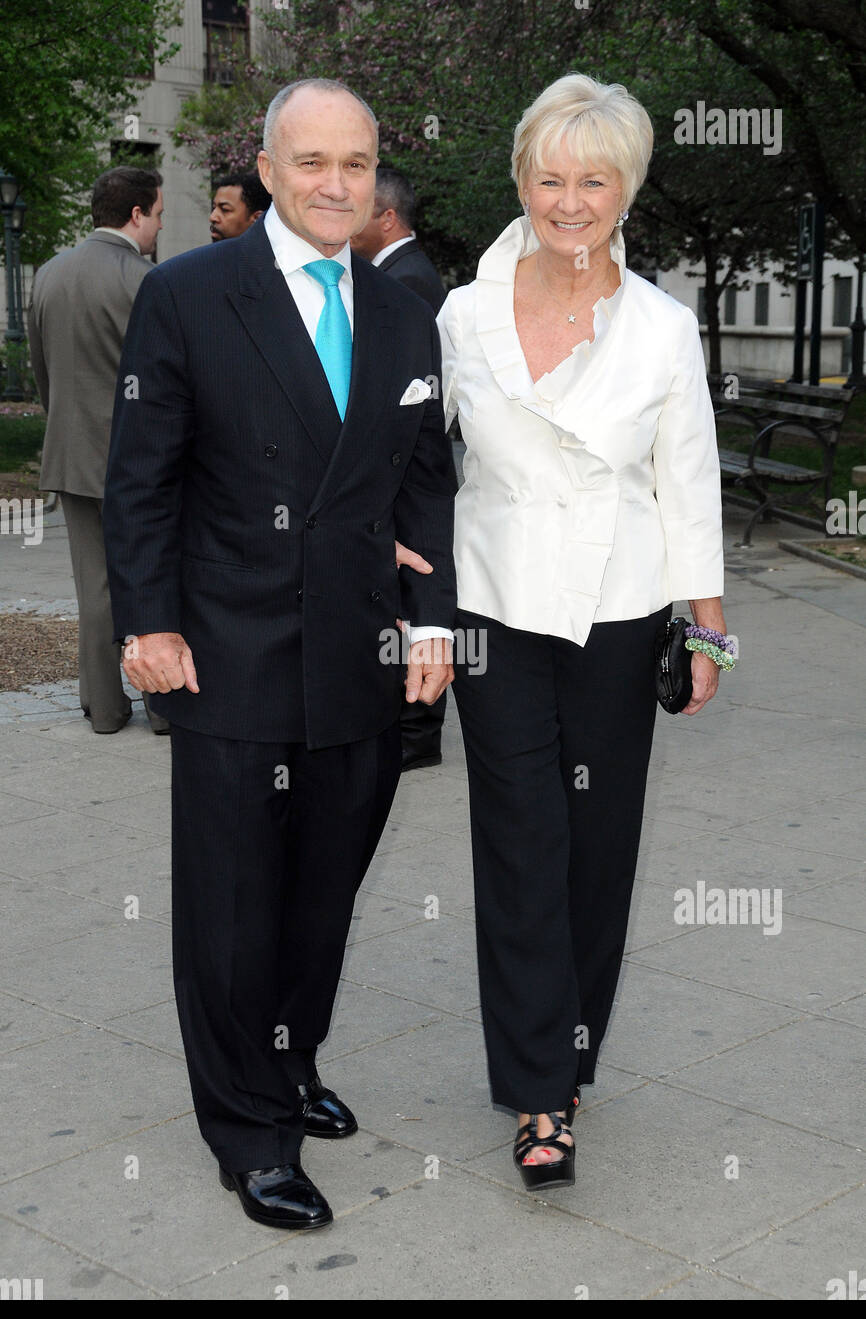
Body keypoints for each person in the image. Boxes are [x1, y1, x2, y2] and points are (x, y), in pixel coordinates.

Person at [103, 78, 456, 1231]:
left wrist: (436, 619)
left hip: (357, 659)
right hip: (228, 657)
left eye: (354, 163)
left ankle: (291, 1060)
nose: (335, 184)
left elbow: (422, 479)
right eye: (311, 162)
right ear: (265, 167)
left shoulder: (410, 311)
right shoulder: (190, 292)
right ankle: (247, 1129)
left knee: (321, 899)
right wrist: (145, 623)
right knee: (235, 910)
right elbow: (141, 479)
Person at [438, 73, 728, 1191]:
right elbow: (425, 457)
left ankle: (569, 1050)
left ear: (625, 190)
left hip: (617, 610)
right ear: (521, 180)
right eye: (550, 178)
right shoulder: (464, 310)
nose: (569, 202)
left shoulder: (659, 327)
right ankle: (538, 1096)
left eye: (592, 181)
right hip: (496, 604)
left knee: (596, 846)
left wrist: (707, 631)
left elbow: (686, 478)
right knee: (520, 840)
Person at [28, 167, 168, 735]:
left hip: (71, 452)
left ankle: (106, 710)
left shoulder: (48, 274)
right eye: (158, 214)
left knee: (95, 587)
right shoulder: (148, 280)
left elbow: (42, 373)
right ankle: (164, 707)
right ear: (136, 214)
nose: (159, 226)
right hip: (144, 460)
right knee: (155, 581)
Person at [352, 166, 448, 772]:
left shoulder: (406, 281)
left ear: (387, 218)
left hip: (403, 474)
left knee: (413, 594)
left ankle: (416, 730)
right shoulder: (394, 274)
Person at [209, 169, 271, 242]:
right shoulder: (203, 253)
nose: (212, 218)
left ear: (257, 218)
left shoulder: (279, 252)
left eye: (225, 209)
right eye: (214, 208)